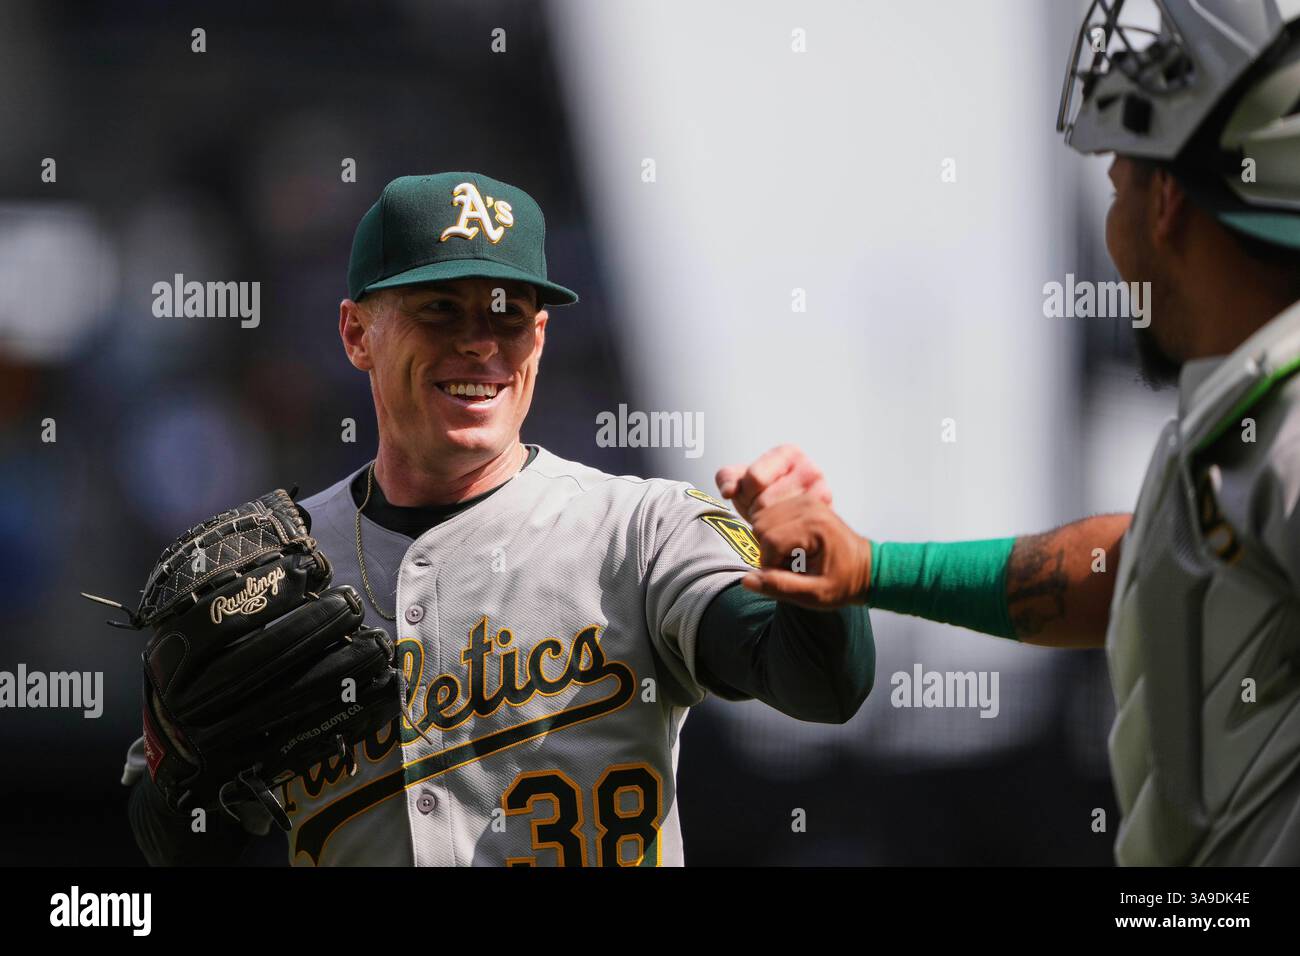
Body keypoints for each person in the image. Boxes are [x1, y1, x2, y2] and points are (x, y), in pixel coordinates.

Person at [121, 171, 876, 866]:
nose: (479, 342)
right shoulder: (272, 572)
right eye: (439, 309)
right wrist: (179, 763)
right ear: (357, 334)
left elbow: (821, 687)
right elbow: (180, 848)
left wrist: (815, 569)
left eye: (507, 315)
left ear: (539, 342)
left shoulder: (641, 530)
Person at [718, 0, 1300, 865]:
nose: (1111, 238)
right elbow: (1129, 568)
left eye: (1117, 187)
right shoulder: (1248, 418)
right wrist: (874, 570)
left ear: (1169, 202)